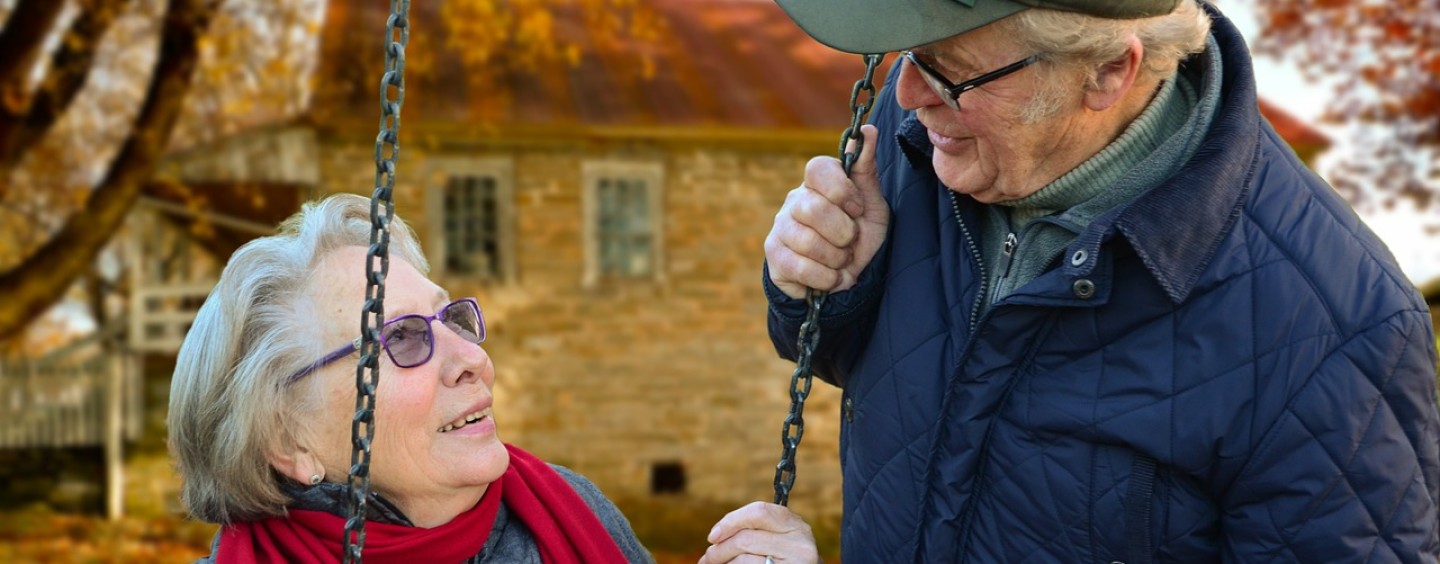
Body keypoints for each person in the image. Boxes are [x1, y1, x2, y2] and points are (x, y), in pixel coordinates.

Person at [706, 0, 1440, 562]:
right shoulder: (928, 149)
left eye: (949, 70)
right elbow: (884, 369)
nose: (907, 95)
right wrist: (825, 289)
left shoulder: (1336, 330)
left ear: (1108, 73)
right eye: (907, 55)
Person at [168, 194, 653, 563]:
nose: (472, 358)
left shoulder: (573, 513)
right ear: (288, 440)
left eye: (449, 318)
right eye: (401, 337)